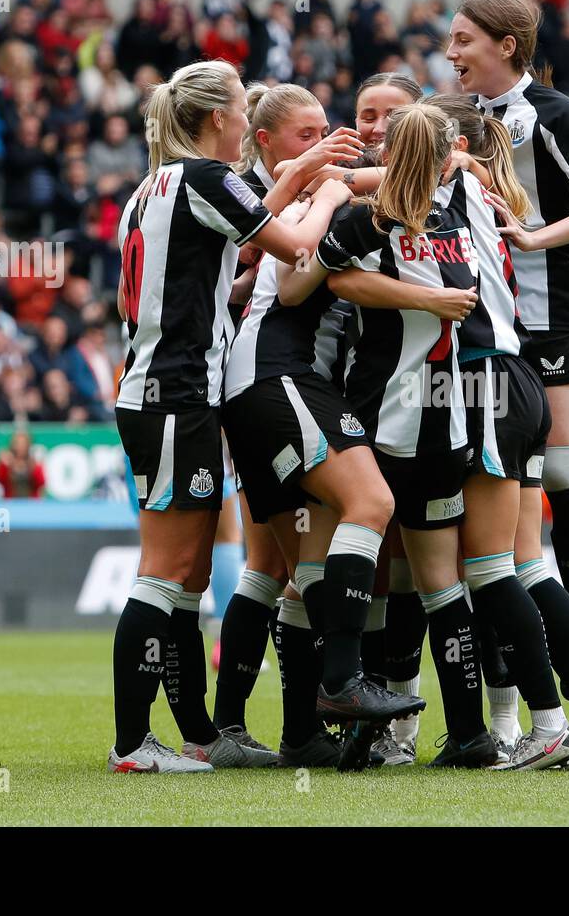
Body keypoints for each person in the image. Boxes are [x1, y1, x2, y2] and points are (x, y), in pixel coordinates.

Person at [108, 58, 359, 774]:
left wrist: (304, 169)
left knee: (184, 578)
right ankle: (132, 744)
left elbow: (230, 253)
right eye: (244, 109)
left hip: (158, 390)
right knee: (165, 572)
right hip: (176, 396)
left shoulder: (152, 187)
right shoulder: (206, 179)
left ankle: (197, 733)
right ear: (218, 117)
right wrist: (331, 188)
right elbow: (293, 244)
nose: (249, 122)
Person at [427, 92, 569, 769]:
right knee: (519, 559)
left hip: (487, 382)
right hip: (514, 378)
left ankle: (541, 722)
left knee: (492, 565)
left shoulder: (450, 193)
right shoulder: (488, 193)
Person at [295, 103, 503, 767]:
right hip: (447, 418)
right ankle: (469, 731)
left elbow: (319, 279)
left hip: (379, 417)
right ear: (447, 156)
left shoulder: (369, 218)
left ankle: (349, 714)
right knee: (439, 582)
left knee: (363, 569)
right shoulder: (456, 223)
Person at [449, 0, 569, 662]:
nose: (451, 52)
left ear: (506, 45)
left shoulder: (553, 114)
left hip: (550, 320)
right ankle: (507, 639)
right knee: (496, 476)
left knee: (555, 472)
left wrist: (536, 237)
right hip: (481, 327)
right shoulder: (458, 120)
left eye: (463, 40)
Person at [208, 82, 365, 759]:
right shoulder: (294, 197)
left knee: (274, 567)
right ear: (264, 143)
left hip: (267, 383)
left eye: (329, 127)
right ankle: (340, 689)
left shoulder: (305, 191)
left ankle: (270, 730)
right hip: (275, 379)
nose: (326, 141)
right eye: (308, 133)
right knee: (365, 507)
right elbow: (301, 269)